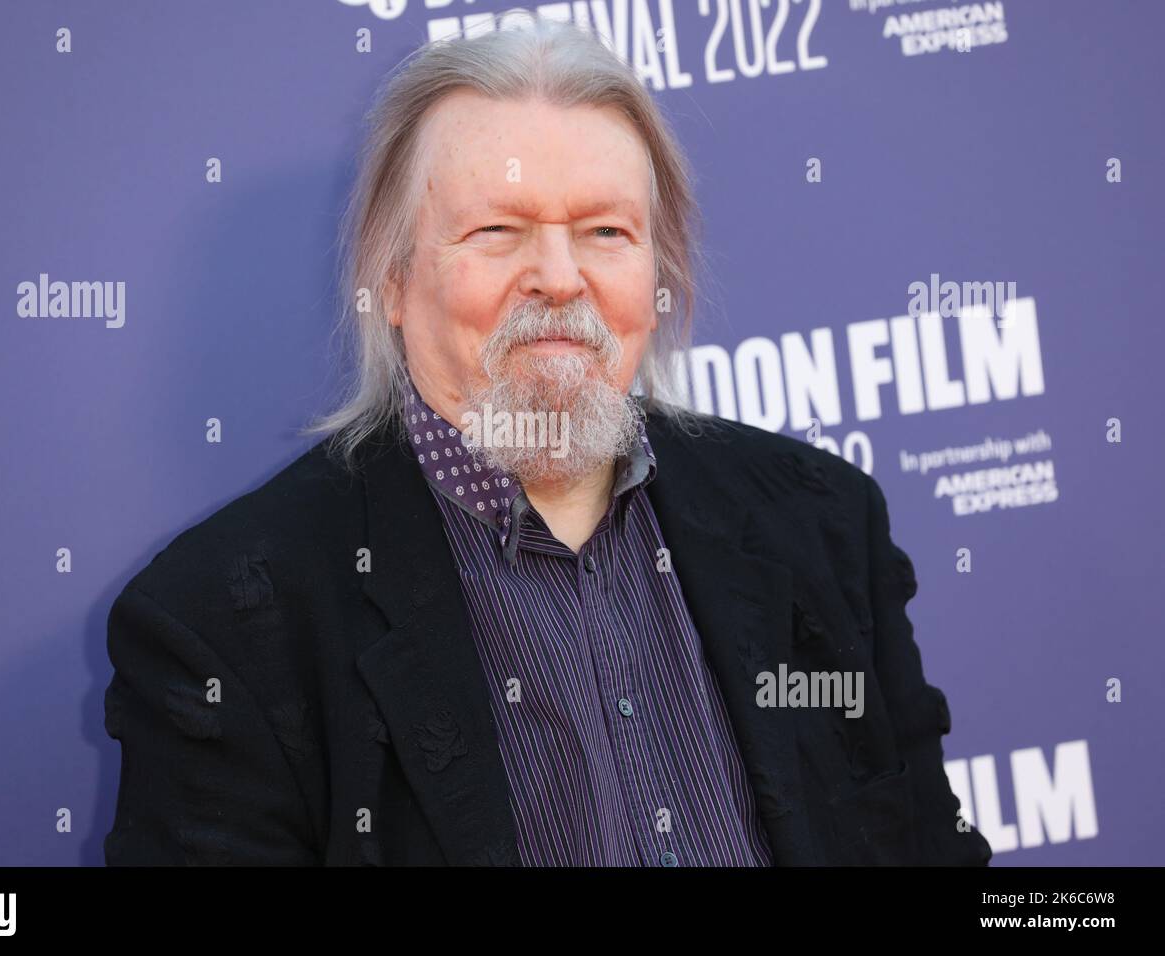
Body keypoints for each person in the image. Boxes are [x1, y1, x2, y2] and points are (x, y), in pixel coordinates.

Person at [102, 19, 990, 867]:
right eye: (498, 231)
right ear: (395, 282)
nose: (561, 280)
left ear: (659, 275)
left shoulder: (824, 525)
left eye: (607, 232)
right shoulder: (224, 625)